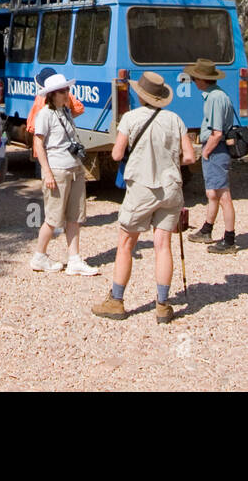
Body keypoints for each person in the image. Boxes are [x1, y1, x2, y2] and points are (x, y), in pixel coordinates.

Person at [92, 71, 195, 323]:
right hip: (170, 188)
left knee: (126, 244)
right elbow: (190, 157)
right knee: (163, 246)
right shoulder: (175, 119)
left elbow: (116, 155)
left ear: (141, 95)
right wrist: (169, 163)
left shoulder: (130, 118)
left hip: (141, 188)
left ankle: (116, 301)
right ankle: (162, 305)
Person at [30, 73, 97, 276]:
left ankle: (74, 258)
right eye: (62, 91)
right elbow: (38, 143)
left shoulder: (66, 111)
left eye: (67, 89)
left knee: (75, 216)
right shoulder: (45, 114)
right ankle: (39, 256)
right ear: (51, 95)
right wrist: (47, 172)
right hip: (58, 170)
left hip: (75, 168)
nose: (67, 93)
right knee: (53, 218)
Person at [184, 57, 238, 254]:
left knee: (223, 195)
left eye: (195, 77)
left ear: (202, 79)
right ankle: (207, 230)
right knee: (212, 193)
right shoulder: (216, 95)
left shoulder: (214, 98)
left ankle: (229, 239)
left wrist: (204, 153)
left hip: (216, 150)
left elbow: (217, 133)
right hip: (217, 150)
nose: (193, 80)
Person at [25, 67, 84, 138]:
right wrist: (65, 119)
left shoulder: (41, 98)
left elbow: (32, 127)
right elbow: (79, 109)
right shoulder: (68, 94)